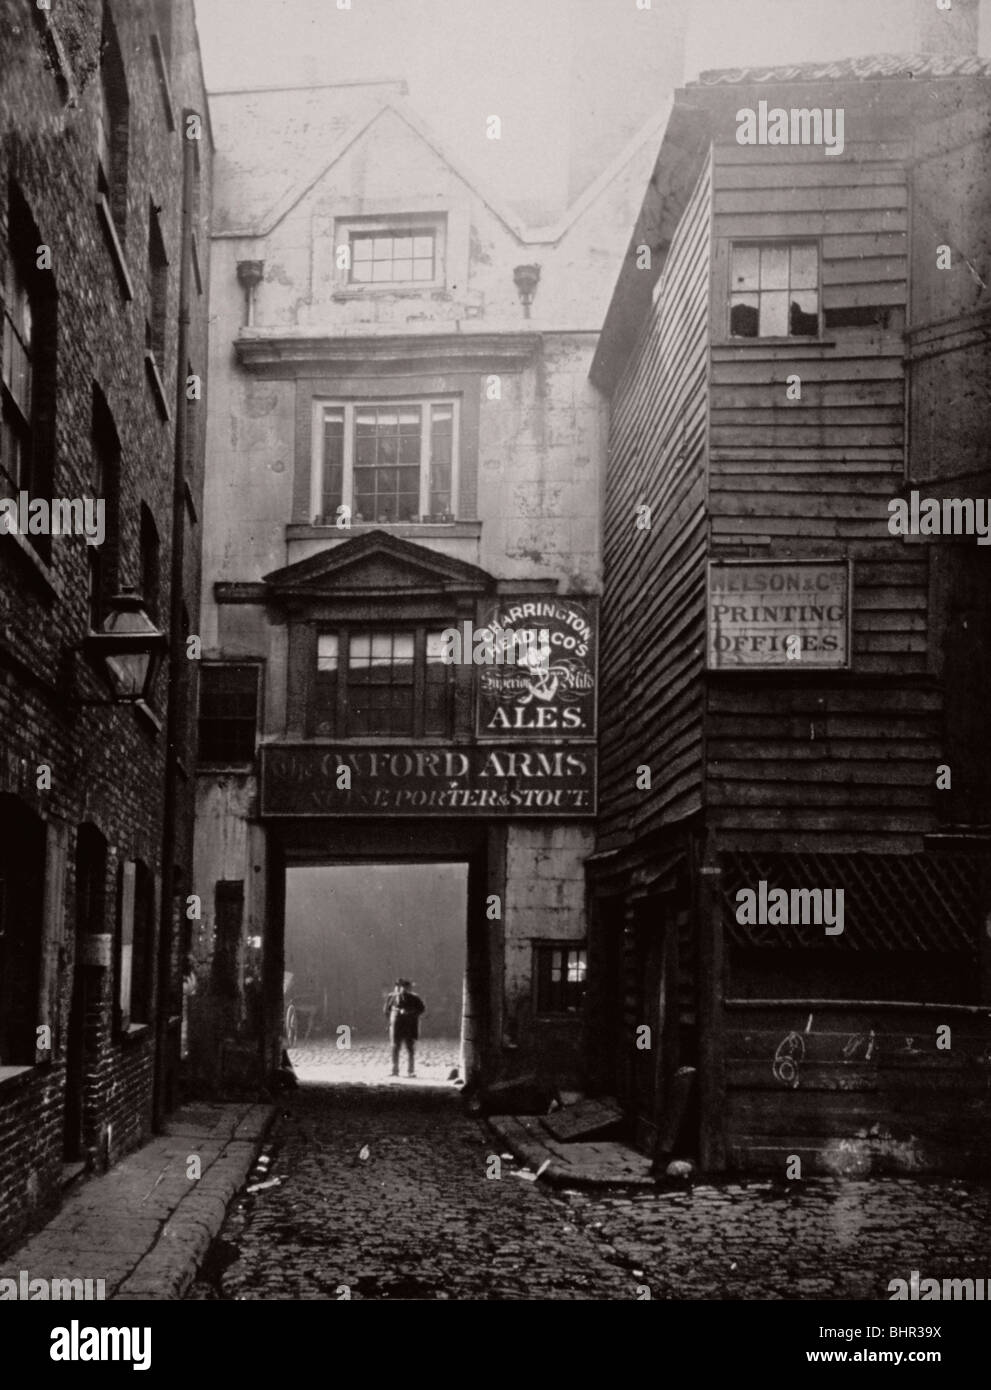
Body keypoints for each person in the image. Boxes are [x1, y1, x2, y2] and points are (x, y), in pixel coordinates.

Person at [384, 977, 426, 1077]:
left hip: (409, 1026)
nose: (404, 989)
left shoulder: (415, 998)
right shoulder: (392, 997)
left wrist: (410, 1013)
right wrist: (392, 1018)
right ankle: (395, 1070)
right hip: (396, 1026)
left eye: (406, 987)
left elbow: (421, 1009)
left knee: (410, 1048)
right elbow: (386, 1010)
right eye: (401, 987)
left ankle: (410, 1071)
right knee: (395, 1047)